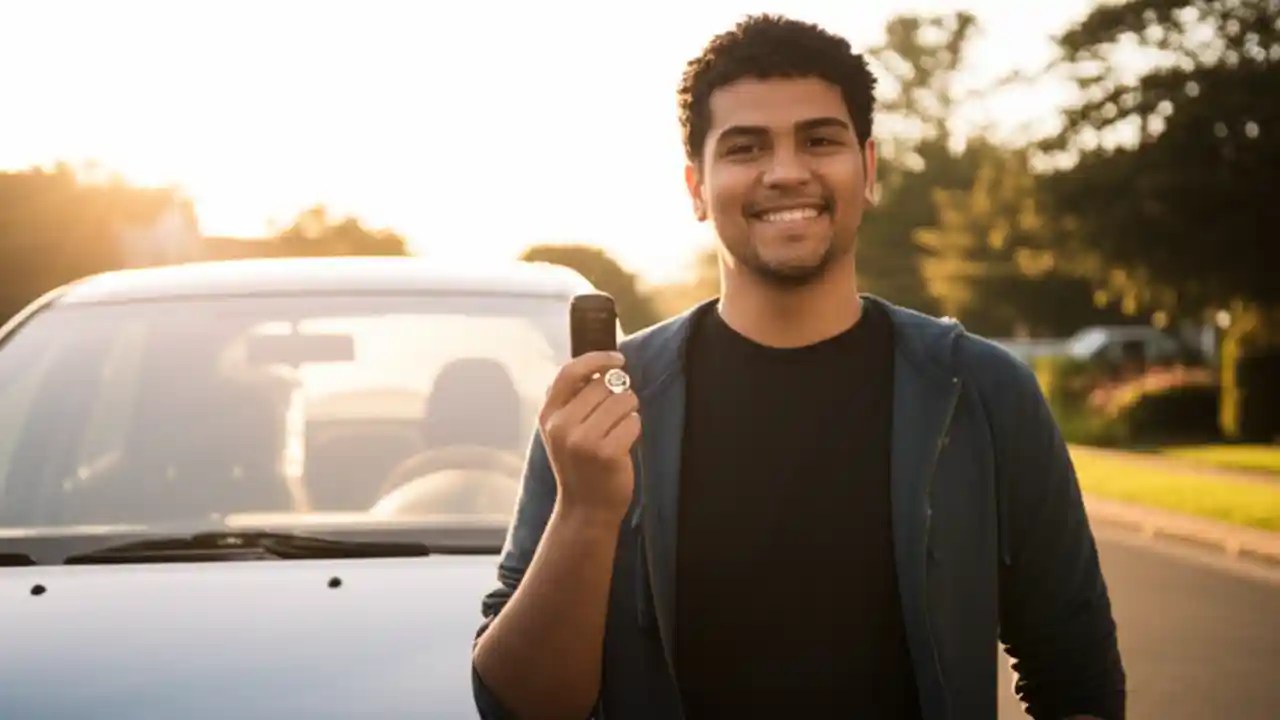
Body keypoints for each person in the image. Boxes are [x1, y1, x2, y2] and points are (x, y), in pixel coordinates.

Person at [471, 13, 1125, 720]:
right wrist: (587, 510)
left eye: (819, 140)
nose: (786, 172)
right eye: (746, 147)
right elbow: (519, 707)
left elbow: (1076, 674)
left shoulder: (984, 390)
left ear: (867, 169)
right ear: (696, 187)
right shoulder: (609, 400)